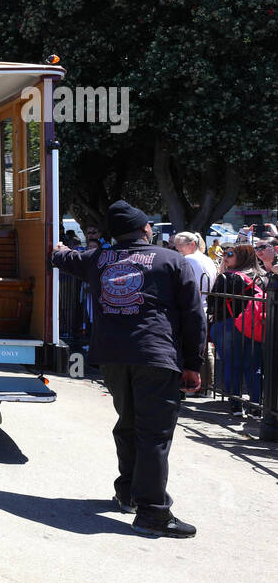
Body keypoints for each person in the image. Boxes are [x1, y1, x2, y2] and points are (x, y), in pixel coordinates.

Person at [51, 200, 205, 538]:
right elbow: (194, 315)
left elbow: (62, 257)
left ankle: (128, 493)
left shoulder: (97, 259)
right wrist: (193, 364)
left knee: (129, 424)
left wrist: (57, 245)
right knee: (154, 434)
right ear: (146, 229)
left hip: (113, 357)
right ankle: (153, 511)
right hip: (154, 354)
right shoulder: (172, 260)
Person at [208, 243, 265, 410]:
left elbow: (212, 304)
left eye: (230, 254)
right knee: (253, 366)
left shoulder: (227, 277)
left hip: (228, 324)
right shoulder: (261, 277)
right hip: (254, 326)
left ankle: (235, 405)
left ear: (242, 255)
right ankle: (256, 406)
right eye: (224, 254)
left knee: (231, 365)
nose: (224, 257)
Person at [173, 231, 217, 395]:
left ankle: (196, 385)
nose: (177, 250)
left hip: (194, 307)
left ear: (192, 244)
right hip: (205, 306)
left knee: (194, 348)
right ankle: (206, 386)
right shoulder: (207, 259)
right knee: (204, 348)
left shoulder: (189, 260)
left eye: (180, 246)